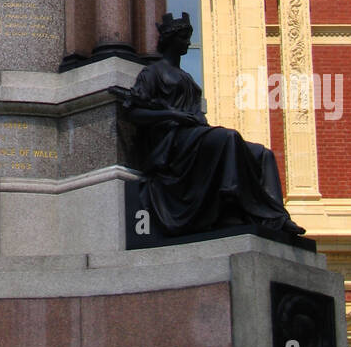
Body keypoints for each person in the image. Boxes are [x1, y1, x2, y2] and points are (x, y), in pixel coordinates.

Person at [112, 12, 305, 237]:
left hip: (194, 136)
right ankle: (229, 205)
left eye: (188, 37)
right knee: (228, 138)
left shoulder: (186, 77)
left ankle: (277, 217)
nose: (187, 42)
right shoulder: (152, 73)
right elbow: (134, 112)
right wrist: (172, 115)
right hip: (173, 143)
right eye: (183, 37)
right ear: (169, 40)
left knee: (263, 154)